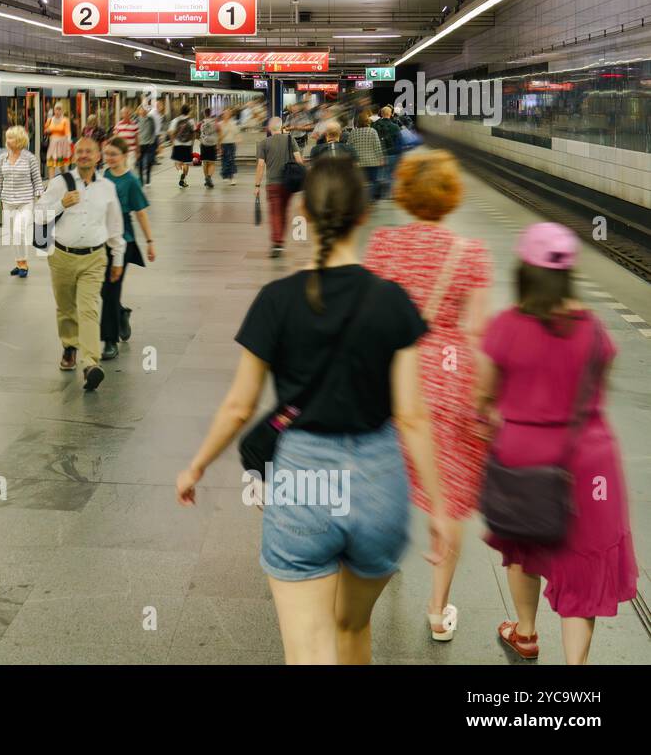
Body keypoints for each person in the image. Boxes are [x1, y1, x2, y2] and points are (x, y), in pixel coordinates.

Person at [175, 157, 453, 664]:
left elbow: (240, 406)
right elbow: (412, 415)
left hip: (304, 477)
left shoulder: (277, 300)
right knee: (352, 628)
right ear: (365, 213)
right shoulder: (392, 301)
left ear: (303, 210)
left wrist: (197, 466)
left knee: (309, 651)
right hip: (378, 482)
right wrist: (437, 506)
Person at [479, 223, 638, 664]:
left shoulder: (506, 326)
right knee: (583, 568)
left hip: (522, 461)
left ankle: (525, 634)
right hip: (589, 469)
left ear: (525, 273)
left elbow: (485, 396)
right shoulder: (593, 332)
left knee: (523, 548)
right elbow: (595, 391)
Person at [363, 151, 492, 641]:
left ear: (403, 192)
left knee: (385, 481)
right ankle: (438, 611)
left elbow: (369, 316)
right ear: (450, 195)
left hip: (393, 373)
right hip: (449, 379)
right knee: (451, 498)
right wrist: (482, 401)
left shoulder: (383, 245)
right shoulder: (471, 253)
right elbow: (477, 334)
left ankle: (378, 567)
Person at [35, 136, 124, 392]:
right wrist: (60, 204)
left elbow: (115, 225)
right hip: (62, 256)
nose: (84, 155)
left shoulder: (107, 188)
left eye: (90, 151)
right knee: (65, 308)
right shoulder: (60, 183)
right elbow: (38, 214)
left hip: (95, 258)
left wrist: (117, 256)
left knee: (88, 309)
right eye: (80, 151)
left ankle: (90, 363)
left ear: (98, 157)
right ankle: (69, 346)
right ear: (75, 155)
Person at [100, 136, 154, 361]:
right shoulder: (104, 176)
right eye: (107, 154)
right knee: (103, 290)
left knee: (111, 290)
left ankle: (109, 341)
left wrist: (150, 242)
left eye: (113, 154)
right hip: (102, 239)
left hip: (123, 241)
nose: (109, 158)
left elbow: (140, 212)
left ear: (124, 156)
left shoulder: (131, 181)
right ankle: (121, 313)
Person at [0, 124, 44, 279]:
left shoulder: (30, 158)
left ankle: (24, 263)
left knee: (19, 230)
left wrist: (41, 199)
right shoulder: (2, 158)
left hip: (26, 201)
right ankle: (19, 262)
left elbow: (37, 180)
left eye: (11, 137)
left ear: (19, 139)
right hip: (7, 201)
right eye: (7, 137)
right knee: (14, 234)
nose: (7, 140)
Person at [253, 117, 306, 258]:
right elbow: (299, 161)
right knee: (284, 212)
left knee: (275, 213)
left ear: (269, 128)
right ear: (281, 127)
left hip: (273, 184)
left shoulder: (263, 143)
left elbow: (260, 166)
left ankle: (277, 242)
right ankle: (280, 242)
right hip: (288, 183)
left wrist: (257, 185)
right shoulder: (290, 140)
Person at [349, 113, 385, 203]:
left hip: (358, 163)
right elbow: (377, 146)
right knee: (373, 181)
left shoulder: (353, 132)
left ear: (357, 122)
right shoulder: (373, 131)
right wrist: (381, 158)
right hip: (372, 161)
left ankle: (361, 198)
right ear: (367, 121)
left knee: (360, 182)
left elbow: (349, 147)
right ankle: (371, 198)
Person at [373, 105, 403, 198]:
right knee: (391, 175)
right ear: (390, 114)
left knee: (379, 174)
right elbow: (399, 142)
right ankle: (389, 195)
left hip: (378, 154)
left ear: (381, 114)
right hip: (392, 154)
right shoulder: (395, 127)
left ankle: (379, 195)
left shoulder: (374, 125)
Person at [169, 105, 197, 188]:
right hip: (188, 144)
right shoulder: (191, 121)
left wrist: (173, 141)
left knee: (177, 162)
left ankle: (180, 172)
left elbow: (170, 132)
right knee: (186, 163)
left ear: (180, 111)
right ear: (189, 111)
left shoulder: (175, 120)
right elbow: (194, 133)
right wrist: (192, 142)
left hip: (177, 143)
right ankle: (184, 180)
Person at [43, 101, 73, 176]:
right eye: (56, 109)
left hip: (62, 145)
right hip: (52, 144)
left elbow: (68, 132)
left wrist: (69, 141)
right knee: (51, 164)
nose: (58, 111)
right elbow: (45, 130)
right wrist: (47, 131)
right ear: (54, 110)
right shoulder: (50, 120)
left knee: (61, 165)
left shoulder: (65, 120)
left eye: (59, 109)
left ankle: (65, 177)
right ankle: (51, 183)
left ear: (62, 110)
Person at [134, 103, 159, 185]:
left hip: (149, 144)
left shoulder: (150, 119)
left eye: (145, 110)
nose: (143, 111)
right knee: (140, 163)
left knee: (149, 161)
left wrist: (153, 141)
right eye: (141, 109)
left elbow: (153, 130)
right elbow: (134, 133)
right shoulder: (136, 120)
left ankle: (148, 176)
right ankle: (141, 179)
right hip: (140, 144)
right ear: (139, 111)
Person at [198, 108, 221, 188]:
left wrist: (200, 139)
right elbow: (219, 132)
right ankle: (209, 177)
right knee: (212, 163)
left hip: (203, 144)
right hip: (213, 144)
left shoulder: (201, 123)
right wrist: (219, 145)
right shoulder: (215, 122)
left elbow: (196, 132)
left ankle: (206, 179)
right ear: (211, 114)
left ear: (204, 114)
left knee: (205, 163)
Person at [112, 106, 138, 170]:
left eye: (127, 113)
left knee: (130, 168)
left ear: (130, 114)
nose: (126, 114)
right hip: (121, 151)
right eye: (124, 113)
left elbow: (137, 138)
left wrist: (138, 151)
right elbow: (115, 137)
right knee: (122, 169)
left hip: (131, 151)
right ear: (122, 115)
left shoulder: (134, 124)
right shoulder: (118, 125)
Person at [218, 107, 240, 185]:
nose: (226, 115)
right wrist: (219, 147)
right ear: (223, 115)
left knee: (231, 160)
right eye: (225, 113)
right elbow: (219, 136)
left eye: (228, 113)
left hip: (231, 144)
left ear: (230, 115)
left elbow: (237, 133)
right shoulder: (220, 124)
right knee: (224, 160)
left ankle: (232, 177)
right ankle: (225, 176)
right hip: (223, 144)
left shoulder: (233, 123)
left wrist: (238, 139)